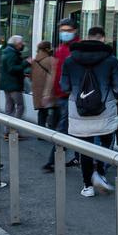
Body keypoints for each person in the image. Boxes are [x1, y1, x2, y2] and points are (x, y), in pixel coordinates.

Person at [59, 26, 118, 198]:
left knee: (84, 148)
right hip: (105, 110)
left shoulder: (70, 60)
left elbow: (64, 87)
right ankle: (101, 173)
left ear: (87, 38)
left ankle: (87, 185)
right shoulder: (111, 60)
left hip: (78, 111)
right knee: (107, 143)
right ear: (102, 38)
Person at [43, 18, 80, 172]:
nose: (65, 33)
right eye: (62, 30)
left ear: (75, 31)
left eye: (68, 30)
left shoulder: (78, 48)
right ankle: (79, 158)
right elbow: (53, 72)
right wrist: (48, 93)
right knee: (72, 130)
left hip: (72, 97)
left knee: (63, 130)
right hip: (61, 97)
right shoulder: (60, 49)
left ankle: (52, 162)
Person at [0, 35, 29, 122]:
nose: (22, 45)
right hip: (13, 85)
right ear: (17, 44)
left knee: (9, 107)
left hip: (7, 85)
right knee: (20, 106)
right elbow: (12, 69)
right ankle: (14, 128)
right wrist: (25, 63)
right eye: (21, 43)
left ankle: (8, 131)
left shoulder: (7, 52)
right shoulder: (12, 54)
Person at [30, 41, 57, 133]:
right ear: (47, 49)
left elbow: (31, 76)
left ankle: (40, 133)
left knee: (41, 111)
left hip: (37, 90)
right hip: (49, 89)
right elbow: (55, 75)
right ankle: (52, 131)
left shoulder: (34, 61)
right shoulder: (51, 60)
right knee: (53, 109)